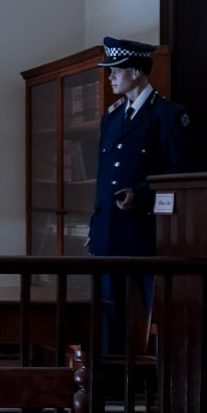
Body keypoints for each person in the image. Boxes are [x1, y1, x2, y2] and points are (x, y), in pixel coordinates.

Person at [86, 36, 194, 346]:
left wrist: (141, 193)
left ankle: (162, 386)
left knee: (157, 313)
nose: (111, 78)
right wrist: (96, 223)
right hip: (109, 230)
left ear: (136, 71)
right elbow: (104, 175)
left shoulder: (168, 115)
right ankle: (112, 386)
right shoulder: (112, 116)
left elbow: (181, 171)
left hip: (147, 229)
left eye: (116, 71)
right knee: (109, 313)